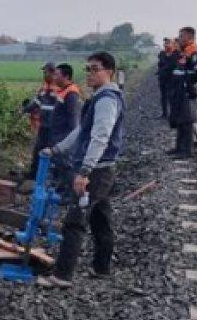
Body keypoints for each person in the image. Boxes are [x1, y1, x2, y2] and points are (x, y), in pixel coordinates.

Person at [38, 52, 124, 288]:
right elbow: (81, 132)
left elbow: (100, 136)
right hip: (102, 170)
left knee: (75, 221)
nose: (90, 73)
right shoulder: (99, 97)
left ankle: (62, 276)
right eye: (88, 69)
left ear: (109, 71)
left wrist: (84, 171)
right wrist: (57, 149)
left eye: (95, 69)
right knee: (100, 219)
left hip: (95, 171)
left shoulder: (106, 99)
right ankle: (101, 268)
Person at [166, 27, 197, 157]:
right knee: (180, 119)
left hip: (186, 89)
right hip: (179, 89)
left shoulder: (194, 53)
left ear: (190, 38)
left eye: (182, 36)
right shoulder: (183, 51)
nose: (179, 38)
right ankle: (179, 148)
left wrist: (188, 82)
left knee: (187, 120)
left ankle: (187, 150)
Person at [22, 62, 59, 181]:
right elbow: (36, 102)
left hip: (54, 127)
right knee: (38, 150)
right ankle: (34, 175)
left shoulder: (60, 88)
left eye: (45, 72)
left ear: (53, 72)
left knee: (51, 153)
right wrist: (25, 109)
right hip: (43, 125)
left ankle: (51, 178)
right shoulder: (44, 88)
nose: (44, 75)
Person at [45, 63, 82, 150]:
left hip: (63, 141)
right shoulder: (63, 91)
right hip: (57, 137)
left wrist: (68, 144)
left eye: (57, 75)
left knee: (63, 163)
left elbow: (74, 121)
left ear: (66, 76)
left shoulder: (71, 94)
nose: (54, 78)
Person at [156, 38, 177, 119]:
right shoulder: (161, 53)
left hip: (171, 78)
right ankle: (165, 113)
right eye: (165, 43)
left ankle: (173, 114)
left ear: (172, 44)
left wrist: (164, 68)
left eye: (168, 43)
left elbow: (173, 65)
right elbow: (161, 64)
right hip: (162, 78)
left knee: (171, 96)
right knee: (163, 96)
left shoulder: (175, 54)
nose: (166, 44)